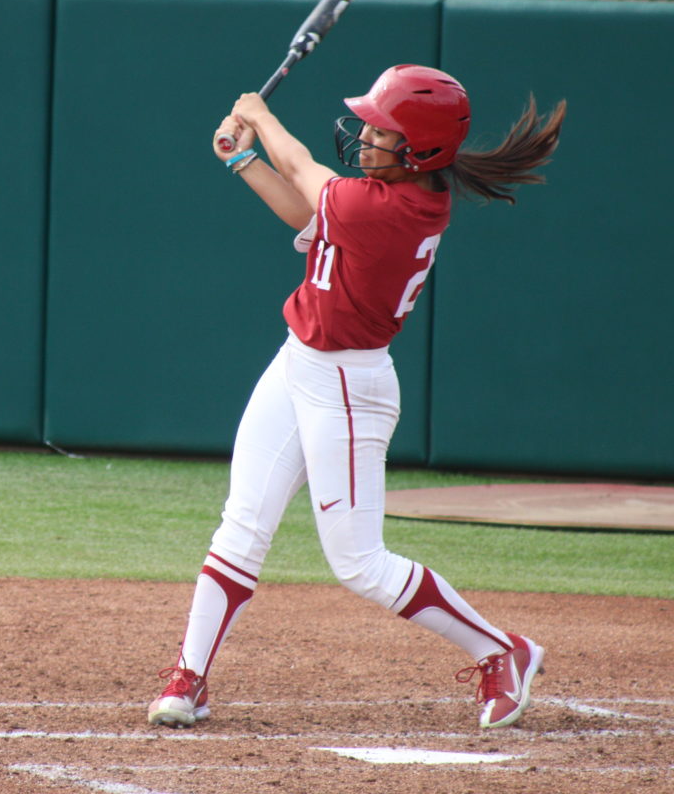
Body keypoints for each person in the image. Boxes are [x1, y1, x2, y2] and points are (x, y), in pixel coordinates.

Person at [149, 64, 566, 731]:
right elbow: (305, 207)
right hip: (298, 364)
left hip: (348, 386)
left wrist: (259, 115)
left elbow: (306, 167)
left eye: (383, 129)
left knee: (359, 564)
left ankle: (503, 651)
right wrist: (243, 159)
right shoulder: (378, 196)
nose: (367, 135)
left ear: (421, 150)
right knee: (243, 522)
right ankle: (189, 678)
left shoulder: (395, 208)